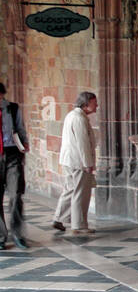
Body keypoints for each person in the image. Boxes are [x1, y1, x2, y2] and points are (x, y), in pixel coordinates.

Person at [53, 91, 97, 236]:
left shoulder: (72, 115)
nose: (96, 105)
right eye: (94, 102)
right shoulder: (79, 118)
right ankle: (79, 225)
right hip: (78, 161)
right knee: (81, 193)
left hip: (69, 160)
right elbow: (82, 143)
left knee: (71, 189)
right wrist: (88, 163)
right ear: (86, 104)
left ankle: (59, 218)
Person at [0, 82, 29, 249]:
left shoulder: (13, 108)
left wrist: (24, 143)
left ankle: (17, 233)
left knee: (16, 194)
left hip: (12, 154)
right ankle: (1, 236)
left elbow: (20, 128)